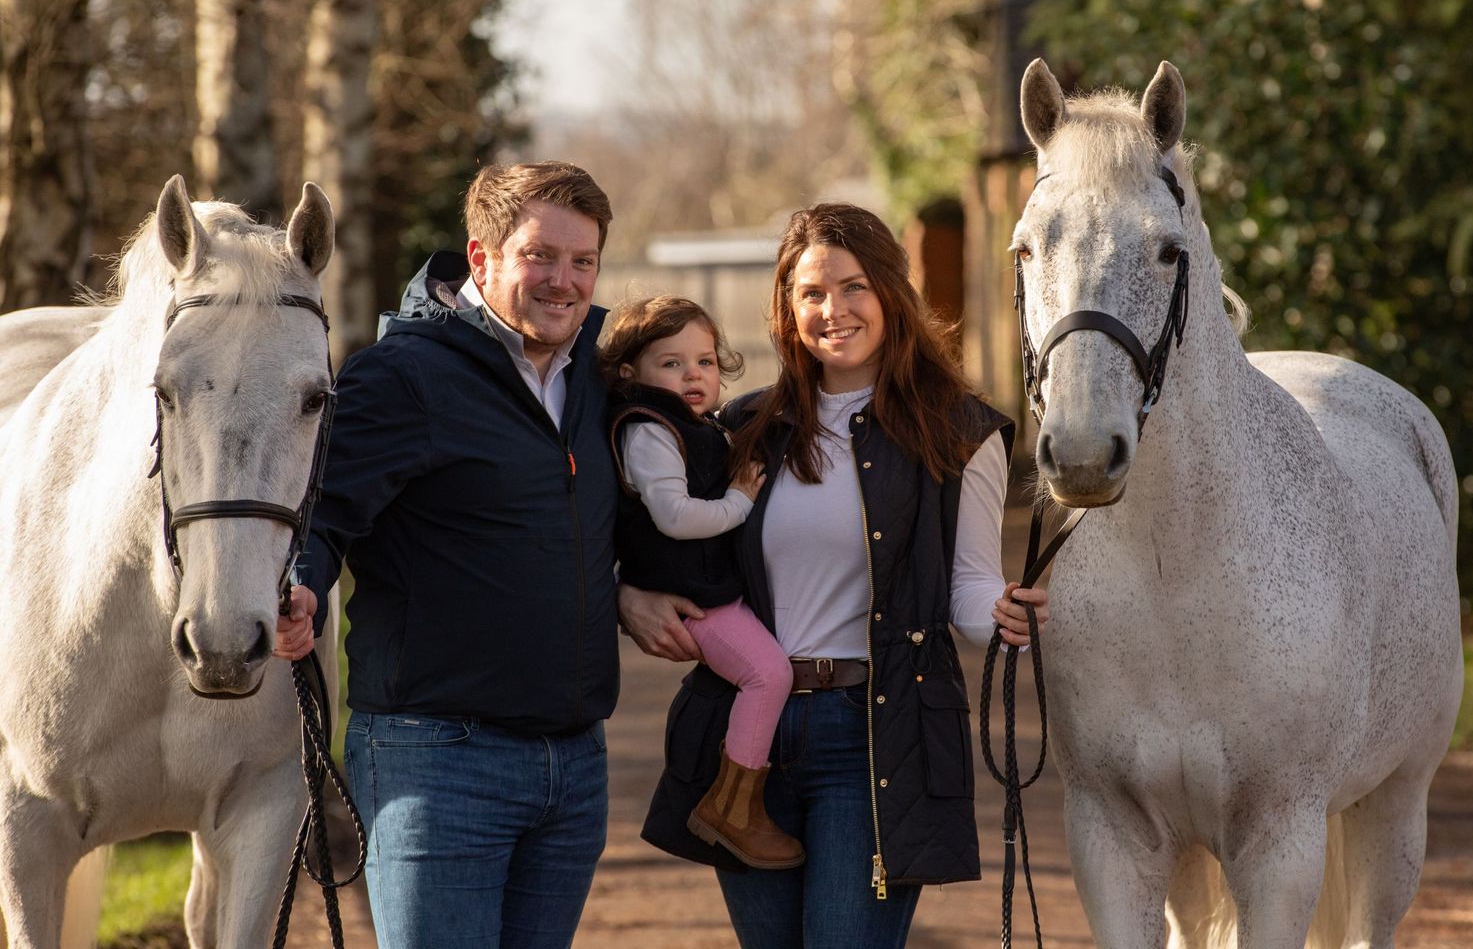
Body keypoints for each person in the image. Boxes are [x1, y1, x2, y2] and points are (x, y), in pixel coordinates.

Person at [270, 161, 696, 948]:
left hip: (574, 764)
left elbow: (610, 509)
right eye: (541, 256)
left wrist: (629, 588)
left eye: (583, 261)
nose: (564, 282)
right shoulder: (402, 377)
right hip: (437, 760)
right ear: (482, 257)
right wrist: (298, 587)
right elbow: (320, 517)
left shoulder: (603, 372)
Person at [639, 202, 1051, 948]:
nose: (834, 310)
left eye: (854, 286)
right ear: (786, 307)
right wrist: (631, 596)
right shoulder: (743, 426)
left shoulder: (961, 433)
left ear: (891, 291)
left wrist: (1001, 610)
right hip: (746, 744)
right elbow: (671, 547)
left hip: (874, 738)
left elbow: (967, 585)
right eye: (812, 293)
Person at [598, 295, 804, 869]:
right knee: (768, 674)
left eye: (705, 362)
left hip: (712, 590)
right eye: (671, 363)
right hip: (697, 601)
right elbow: (675, 516)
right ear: (628, 374)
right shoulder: (648, 431)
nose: (692, 374)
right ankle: (733, 808)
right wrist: (740, 500)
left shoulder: (699, 428)